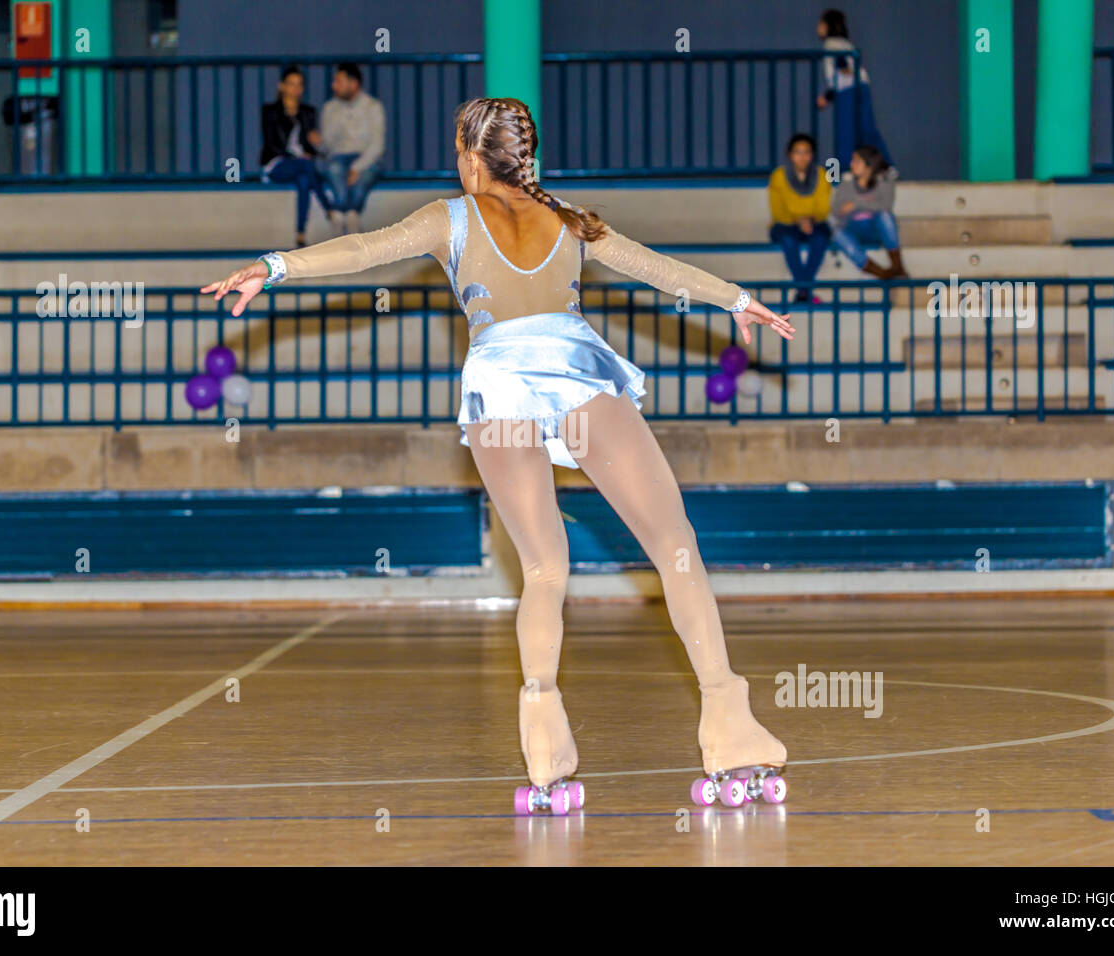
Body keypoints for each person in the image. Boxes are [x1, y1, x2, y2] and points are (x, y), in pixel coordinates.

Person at [202, 97, 792, 812]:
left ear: (470, 155)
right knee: (675, 547)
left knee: (543, 569)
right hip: (578, 380)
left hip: (500, 391)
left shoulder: (447, 218)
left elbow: (359, 251)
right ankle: (732, 732)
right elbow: (656, 269)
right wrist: (738, 299)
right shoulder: (570, 217)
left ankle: (546, 758)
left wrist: (272, 266)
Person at [814, 8, 894, 173]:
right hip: (860, 87)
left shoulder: (831, 44)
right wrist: (828, 96)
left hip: (848, 92)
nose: (818, 28)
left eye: (821, 24)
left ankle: (837, 175)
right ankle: (888, 167)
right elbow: (840, 75)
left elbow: (841, 69)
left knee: (845, 134)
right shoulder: (845, 43)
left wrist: (831, 91)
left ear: (828, 25)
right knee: (867, 130)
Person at [314, 63, 386, 234]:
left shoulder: (373, 107)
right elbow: (327, 147)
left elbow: (377, 145)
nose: (333, 86)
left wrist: (356, 167)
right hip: (338, 157)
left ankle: (343, 213)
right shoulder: (330, 108)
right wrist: (322, 139)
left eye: (339, 81)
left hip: (365, 157)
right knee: (334, 168)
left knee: (364, 175)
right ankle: (348, 214)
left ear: (353, 84)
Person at [260, 65, 323, 248]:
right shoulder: (270, 111)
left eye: (299, 84)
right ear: (282, 86)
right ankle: (330, 210)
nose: (295, 89)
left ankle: (300, 233)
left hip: (301, 165)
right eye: (291, 84)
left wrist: (316, 144)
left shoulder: (307, 112)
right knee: (306, 166)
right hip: (276, 163)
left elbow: (310, 147)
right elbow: (273, 145)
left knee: (304, 180)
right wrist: (300, 157)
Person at [768, 133, 832, 303]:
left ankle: (802, 290)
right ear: (790, 154)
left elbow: (823, 208)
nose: (802, 157)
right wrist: (799, 219)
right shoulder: (779, 176)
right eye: (797, 152)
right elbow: (778, 210)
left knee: (821, 238)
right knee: (788, 240)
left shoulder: (822, 174)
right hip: (786, 224)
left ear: (812, 155)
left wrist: (809, 219)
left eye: (806, 152)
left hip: (815, 223)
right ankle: (805, 289)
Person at [829, 145, 907, 279]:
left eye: (857, 161)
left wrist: (856, 204)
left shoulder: (884, 181)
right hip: (853, 228)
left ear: (869, 166)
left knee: (885, 216)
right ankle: (882, 274)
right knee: (835, 231)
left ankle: (898, 267)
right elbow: (837, 209)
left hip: (875, 230)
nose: (852, 164)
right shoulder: (846, 183)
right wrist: (868, 204)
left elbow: (885, 205)